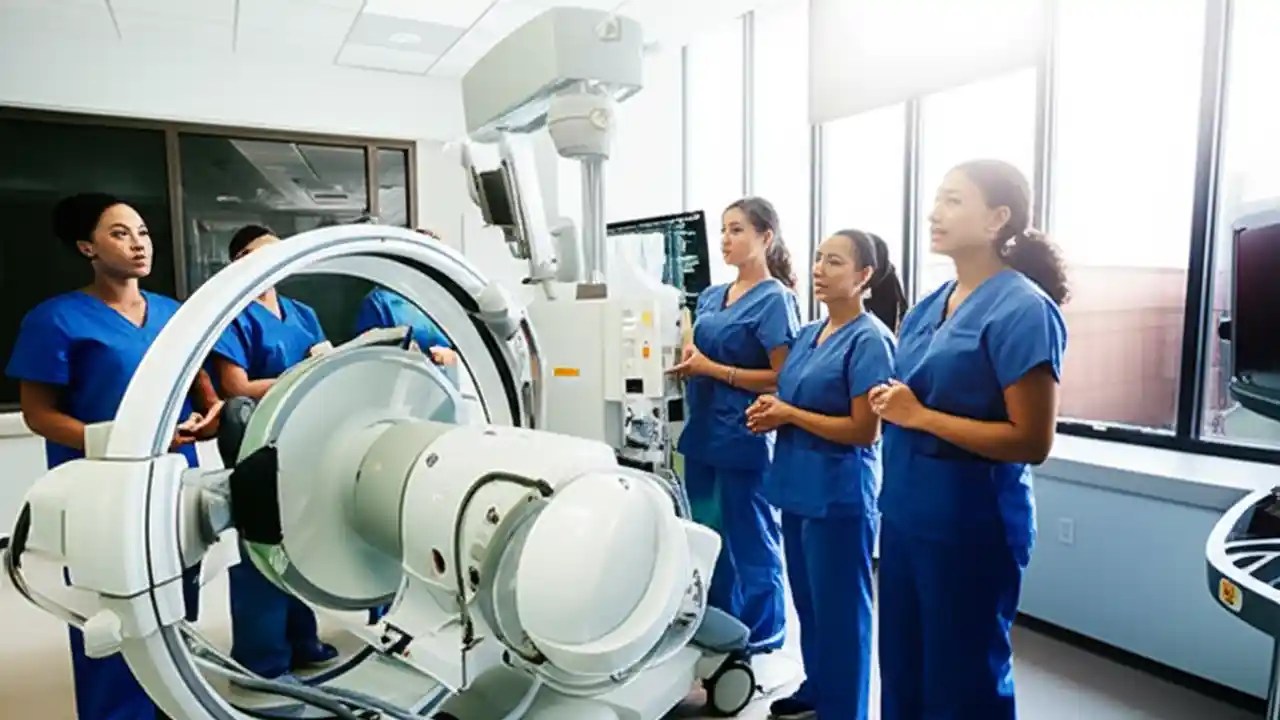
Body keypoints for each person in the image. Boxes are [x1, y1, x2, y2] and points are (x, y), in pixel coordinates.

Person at [5, 192, 221, 720]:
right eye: (120, 233)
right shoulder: (55, 319)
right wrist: (119, 444)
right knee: (112, 611)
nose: (139, 244)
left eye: (142, 232)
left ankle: (173, 705)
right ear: (87, 247)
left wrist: (212, 414)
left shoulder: (173, 314)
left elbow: (205, 392)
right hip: (99, 490)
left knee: (175, 601)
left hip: (172, 483)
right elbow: (39, 414)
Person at [870, 159, 1069, 720]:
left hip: (969, 526)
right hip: (905, 515)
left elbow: (1032, 441)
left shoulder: (1023, 309)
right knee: (903, 671)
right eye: (937, 198)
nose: (935, 212)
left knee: (962, 683)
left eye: (953, 200)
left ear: (997, 218)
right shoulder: (929, 305)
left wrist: (919, 416)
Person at [746, 229, 899, 720]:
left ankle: (845, 710)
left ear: (864, 276)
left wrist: (788, 414)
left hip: (839, 497)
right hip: (796, 489)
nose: (819, 269)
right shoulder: (811, 334)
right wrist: (772, 409)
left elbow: (864, 430)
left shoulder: (870, 340)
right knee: (810, 606)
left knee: (842, 614)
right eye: (818, 258)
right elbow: (795, 395)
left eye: (834, 262)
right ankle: (819, 690)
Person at [670, 196, 800, 655]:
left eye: (737, 229)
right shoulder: (710, 296)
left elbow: (784, 377)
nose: (725, 239)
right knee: (708, 537)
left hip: (745, 436)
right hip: (704, 434)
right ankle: (719, 629)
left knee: (751, 540)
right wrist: (688, 361)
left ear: (766, 237)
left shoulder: (775, 300)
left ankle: (761, 634)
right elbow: (696, 351)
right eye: (723, 230)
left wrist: (713, 370)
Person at [210, 224, 339, 683]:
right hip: (255, 441)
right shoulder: (233, 314)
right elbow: (236, 388)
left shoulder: (301, 312)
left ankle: (303, 640)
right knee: (261, 547)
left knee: (299, 543)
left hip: (304, 438)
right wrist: (302, 373)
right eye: (262, 253)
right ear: (240, 261)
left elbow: (328, 363)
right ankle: (260, 659)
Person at [353, 229, 458, 375]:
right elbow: (367, 359)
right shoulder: (380, 302)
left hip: (448, 384)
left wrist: (452, 356)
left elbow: (469, 351)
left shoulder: (445, 302)